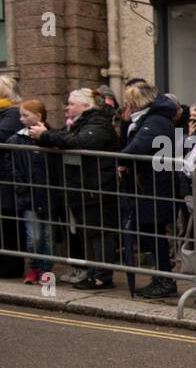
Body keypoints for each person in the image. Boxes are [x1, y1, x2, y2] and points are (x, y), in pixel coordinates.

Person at [30, 89, 121, 290]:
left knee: (99, 234)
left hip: (96, 188)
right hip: (82, 189)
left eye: (71, 103)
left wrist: (44, 134)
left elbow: (79, 143)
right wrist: (45, 133)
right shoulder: (79, 123)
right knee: (88, 233)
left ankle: (102, 276)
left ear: (86, 106)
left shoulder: (97, 124)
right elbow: (63, 136)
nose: (67, 107)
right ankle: (93, 272)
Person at [118, 82, 184, 299]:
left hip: (156, 187)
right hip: (149, 186)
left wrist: (121, 160)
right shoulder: (150, 118)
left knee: (155, 235)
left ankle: (165, 280)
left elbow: (139, 145)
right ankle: (161, 277)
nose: (125, 104)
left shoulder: (155, 121)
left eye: (128, 100)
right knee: (149, 233)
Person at [9, 99, 59, 283]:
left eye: (25, 115)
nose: (21, 119)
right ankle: (33, 268)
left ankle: (46, 270)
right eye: (21, 115)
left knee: (48, 236)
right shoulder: (15, 139)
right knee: (34, 237)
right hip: (28, 196)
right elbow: (12, 168)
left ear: (38, 116)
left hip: (49, 195)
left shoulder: (52, 137)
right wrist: (21, 188)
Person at [0, 75, 25, 279]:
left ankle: (11, 266)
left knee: (9, 223)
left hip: (8, 177)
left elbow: (2, 136)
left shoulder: (13, 113)